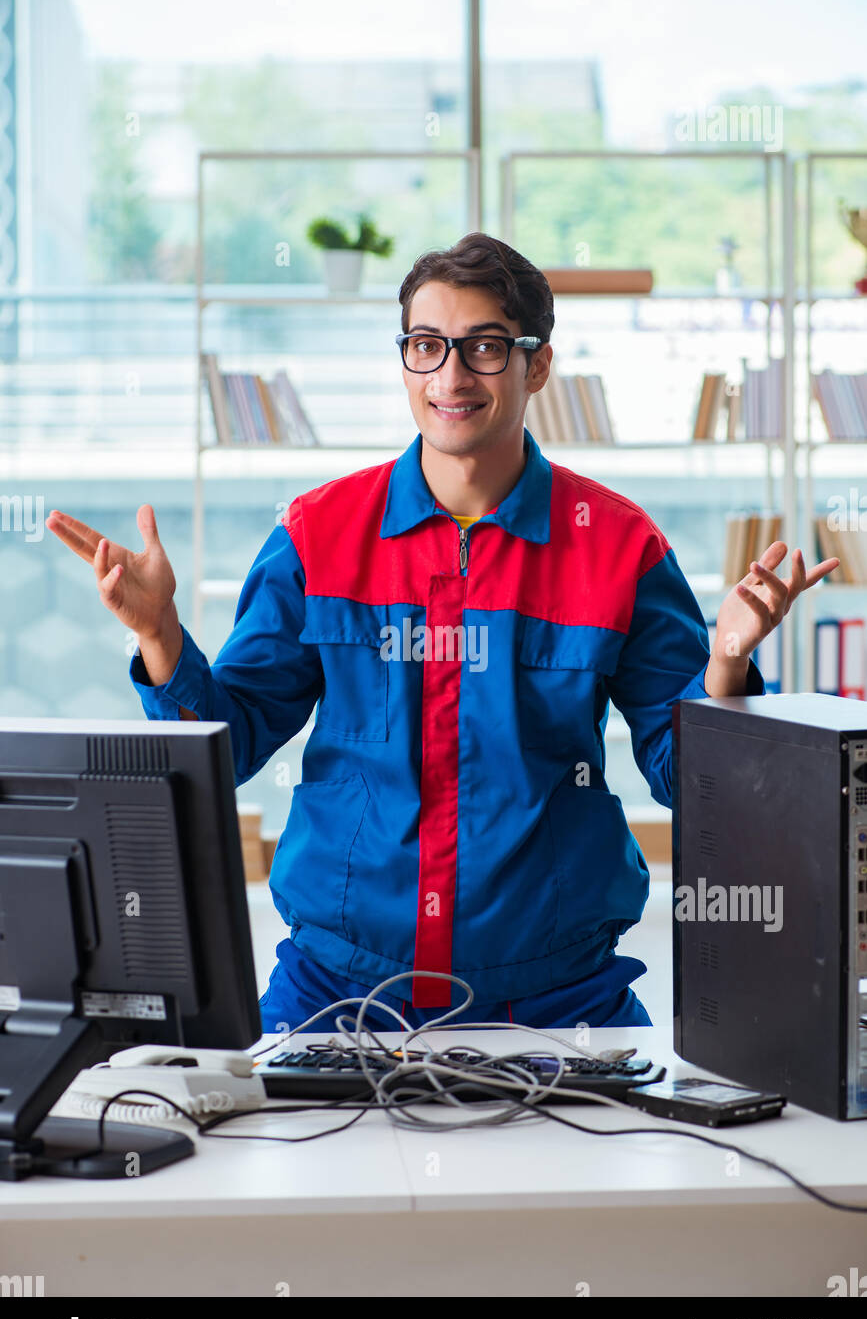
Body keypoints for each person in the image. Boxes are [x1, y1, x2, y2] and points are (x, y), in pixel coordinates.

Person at [46, 232, 838, 1035]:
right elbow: (229, 746)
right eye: (426, 347)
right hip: (338, 986)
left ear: (536, 366)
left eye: (484, 348)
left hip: (559, 992)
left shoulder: (619, 545)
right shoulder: (316, 537)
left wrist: (728, 662)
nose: (450, 377)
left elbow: (689, 779)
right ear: (404, 362)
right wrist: (162, 638)